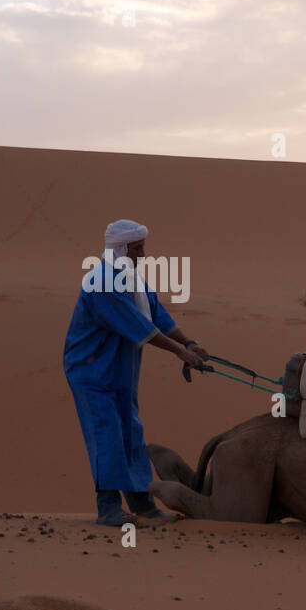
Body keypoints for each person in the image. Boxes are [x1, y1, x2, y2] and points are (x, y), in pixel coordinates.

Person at [63, 219, 209, 526]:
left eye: (143, 247)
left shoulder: (133, 280)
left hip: (119, 372)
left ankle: (142, 504)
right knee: (108, 434)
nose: (143, 254)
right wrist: (179, 352)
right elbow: (140, 327)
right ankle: (108, 509)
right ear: (120, 249)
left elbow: (158, 316)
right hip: (92, 373)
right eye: (137, 248)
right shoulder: (102, 282)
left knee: (131, 432)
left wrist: (190, 343)